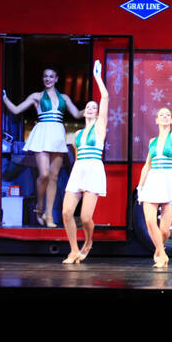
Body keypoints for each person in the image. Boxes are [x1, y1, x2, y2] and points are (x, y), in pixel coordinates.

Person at [2, 68, 81, 228]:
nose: (48, 79)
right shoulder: (36, 97)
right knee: (44, 174)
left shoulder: (64, 97)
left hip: (57, 134)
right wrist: (4, 97)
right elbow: (16, 109)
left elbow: (77, 114)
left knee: (54, 177)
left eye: (51, 76)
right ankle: (39, 207)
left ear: (56, 78)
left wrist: (93, 109)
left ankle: (49, 214)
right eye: (45, 76)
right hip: (42, 134)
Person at [136, 90, 172, 268]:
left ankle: (159, 250)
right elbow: (147, 165)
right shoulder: (152, 141)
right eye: (162, 115)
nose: (165, 117)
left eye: (168, 115)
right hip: (152, 181)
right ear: (156, 119)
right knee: (149, 221)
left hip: (168, 181)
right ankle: (162, 255)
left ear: (170, 119)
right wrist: (140, 186)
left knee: (164, 230)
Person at [62, 60, 108, 263]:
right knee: (66, 212)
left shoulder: (100, 128)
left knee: (86, 218)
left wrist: (97, 77)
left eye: (94, 107)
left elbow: (105, 97)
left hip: (94, 170)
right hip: (79, 170)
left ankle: (88, 242)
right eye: (88, 107)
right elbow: (76, 155)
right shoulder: (77, 133)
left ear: (98, 113)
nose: (90, 109)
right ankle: (73, 250)